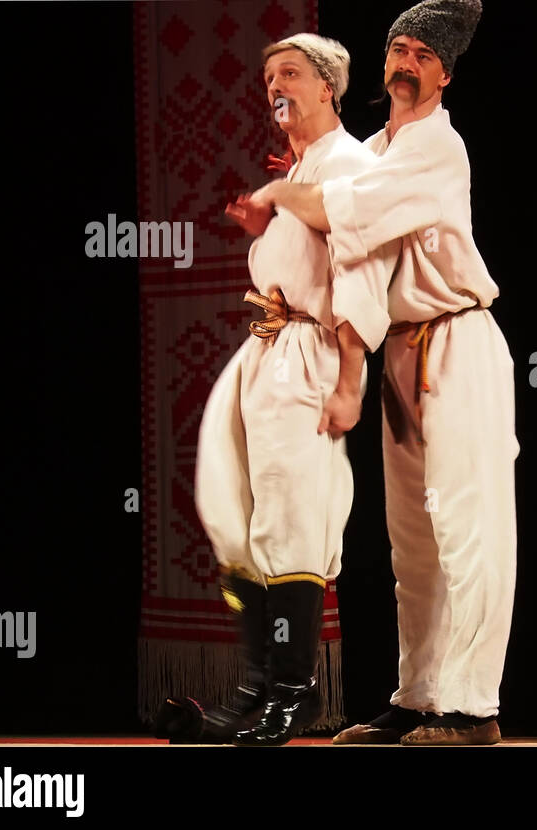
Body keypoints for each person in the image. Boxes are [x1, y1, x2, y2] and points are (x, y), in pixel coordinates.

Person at [247, 0, 518, 746]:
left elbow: (345, 211)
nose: (405, 63)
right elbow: (341, 235)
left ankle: (472, 708)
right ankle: (420, 693)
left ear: (445, 75)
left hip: (458, 341)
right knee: (413, 538)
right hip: (404, 351)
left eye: (423, 56)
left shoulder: (438, 149)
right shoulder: (378, 147)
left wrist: (281, 195)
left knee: (470, 525)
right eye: (399, 49)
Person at [153, 32, 381, 747]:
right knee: (236, 518)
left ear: (327, 87)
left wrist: (350, 382)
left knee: (291, 521)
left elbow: (360, 278)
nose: (273, 85)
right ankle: (257, 685)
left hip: (309, 356)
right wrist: (266, 227)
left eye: (289, 73)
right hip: (266, 355)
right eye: (266, 76)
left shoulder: (349, 163)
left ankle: (294, 691)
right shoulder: (305, 168)